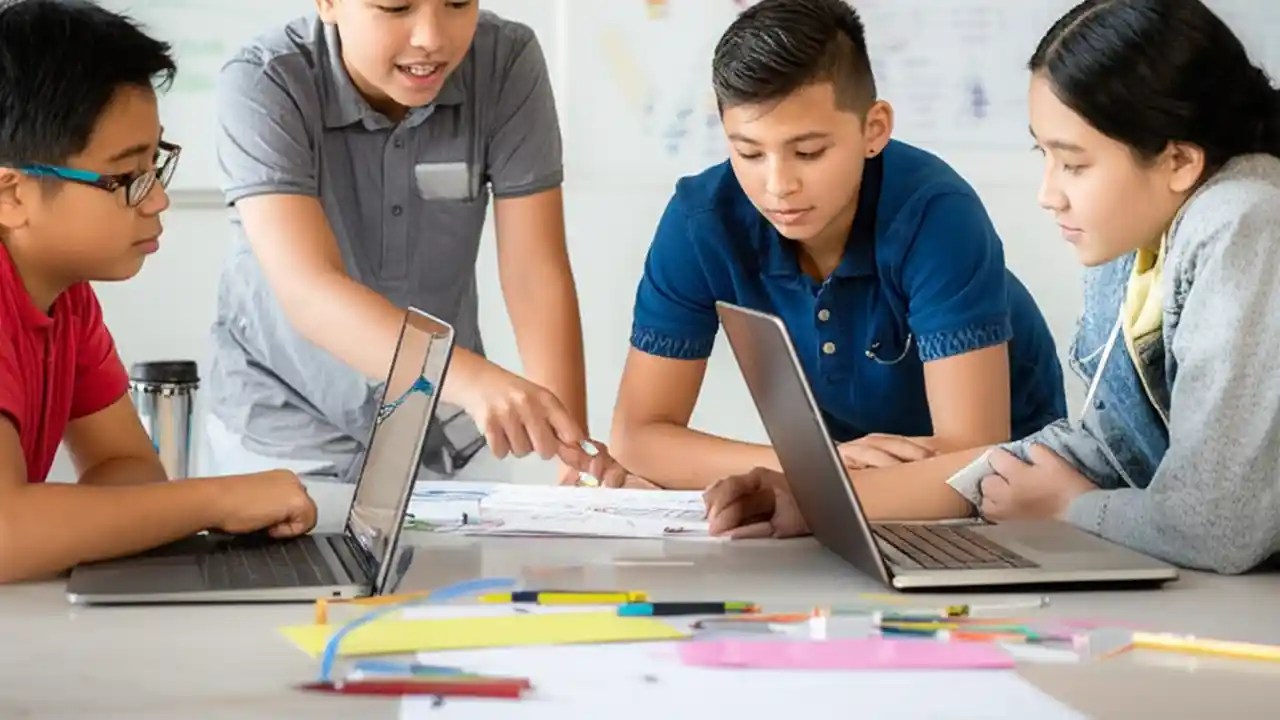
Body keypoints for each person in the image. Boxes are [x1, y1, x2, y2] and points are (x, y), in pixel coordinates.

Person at [704, 0, 1280, 575]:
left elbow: (1215, 529)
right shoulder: (1137, 232)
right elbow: (1108, 451)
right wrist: (811, 503)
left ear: (1178, 159)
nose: (1048, 194)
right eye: (1044, 155)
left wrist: (1072, 507)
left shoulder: (1243, 222)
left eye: (1074, 165)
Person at [608, 0, 1066, 490]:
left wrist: (818, 478)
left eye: (808, 152)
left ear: (874, 129)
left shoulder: (937, 214)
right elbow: (638, 436)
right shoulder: (700, 222)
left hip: (1010, 501)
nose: (778, 184)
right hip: (848, 495)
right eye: (748, 152)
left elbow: (974, 457)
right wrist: (819, 468)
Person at [203, 0, 622, 487]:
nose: (431, 37)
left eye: (457, 3)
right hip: (288, 423)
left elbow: (534, 272)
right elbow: (309, 291)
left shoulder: (505, 60)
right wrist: (475, 380)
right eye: (396, 6)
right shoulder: (265, 80)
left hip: (437, 423)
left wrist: (569, 453)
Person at [0, 0, 315, 584]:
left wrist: (66, 525)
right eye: (127, 177)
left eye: (156, 164)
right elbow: (5, 536)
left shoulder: (64, 296)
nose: (157, 199)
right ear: (12, 195)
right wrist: (217, 500)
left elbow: (129, 466)